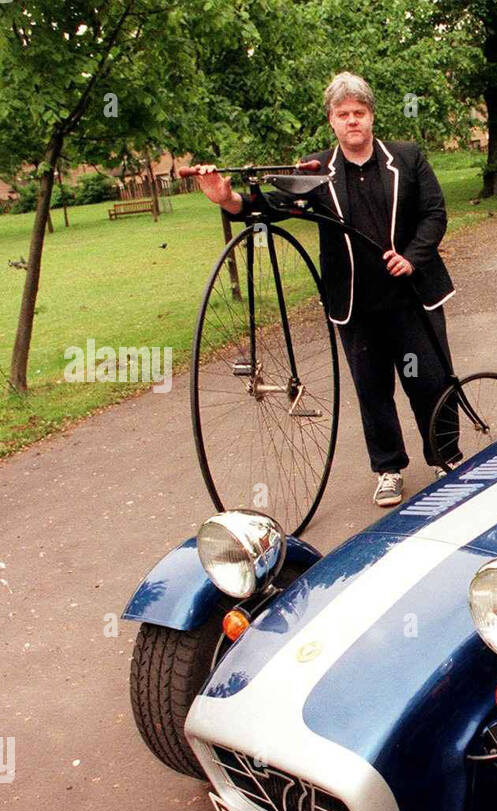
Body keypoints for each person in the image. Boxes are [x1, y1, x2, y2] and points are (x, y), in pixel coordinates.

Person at [194, 71, 458, 507]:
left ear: (372, 116)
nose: (352, 120)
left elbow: (434, 212)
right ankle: (388, 468)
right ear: (331, 121)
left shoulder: (406, 159)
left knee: (430, 381)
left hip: (412, 297)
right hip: (356, 305)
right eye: (343, 114)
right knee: (372, 390)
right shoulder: (317, 171)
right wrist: (229, 199)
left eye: (359, 112)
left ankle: (446, 457)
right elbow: (272, 206)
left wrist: (412, 255)